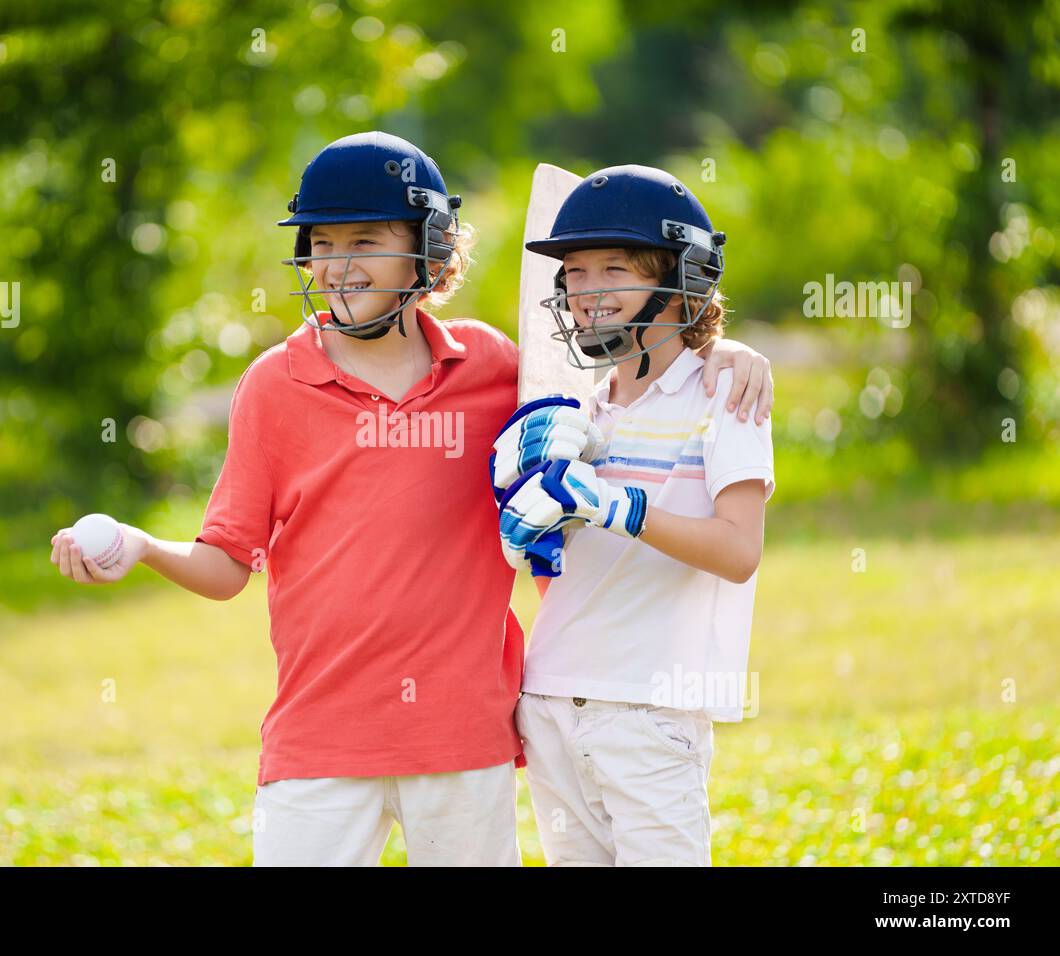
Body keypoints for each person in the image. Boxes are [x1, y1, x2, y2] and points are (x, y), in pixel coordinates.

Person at [51, 135, 773, 866]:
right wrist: (142, 547)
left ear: (430, 248)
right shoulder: (274, 387)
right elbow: (227, 563)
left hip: (466, 740)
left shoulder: (496, 373)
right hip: (318, 740)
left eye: (365, 239)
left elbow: (629, 365)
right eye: (320, 243)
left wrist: (724, 352)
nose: (337, 264)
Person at [493, 164, 774, 866]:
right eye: (576, 272)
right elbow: (558, 577)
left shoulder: (725, 397)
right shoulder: (575, 413)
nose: (586, 292)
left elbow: (739, 552)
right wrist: (526, 528)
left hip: (652, 711)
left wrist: (621, 508)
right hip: (552, 696)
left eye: (613, 269)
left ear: (686, 279)